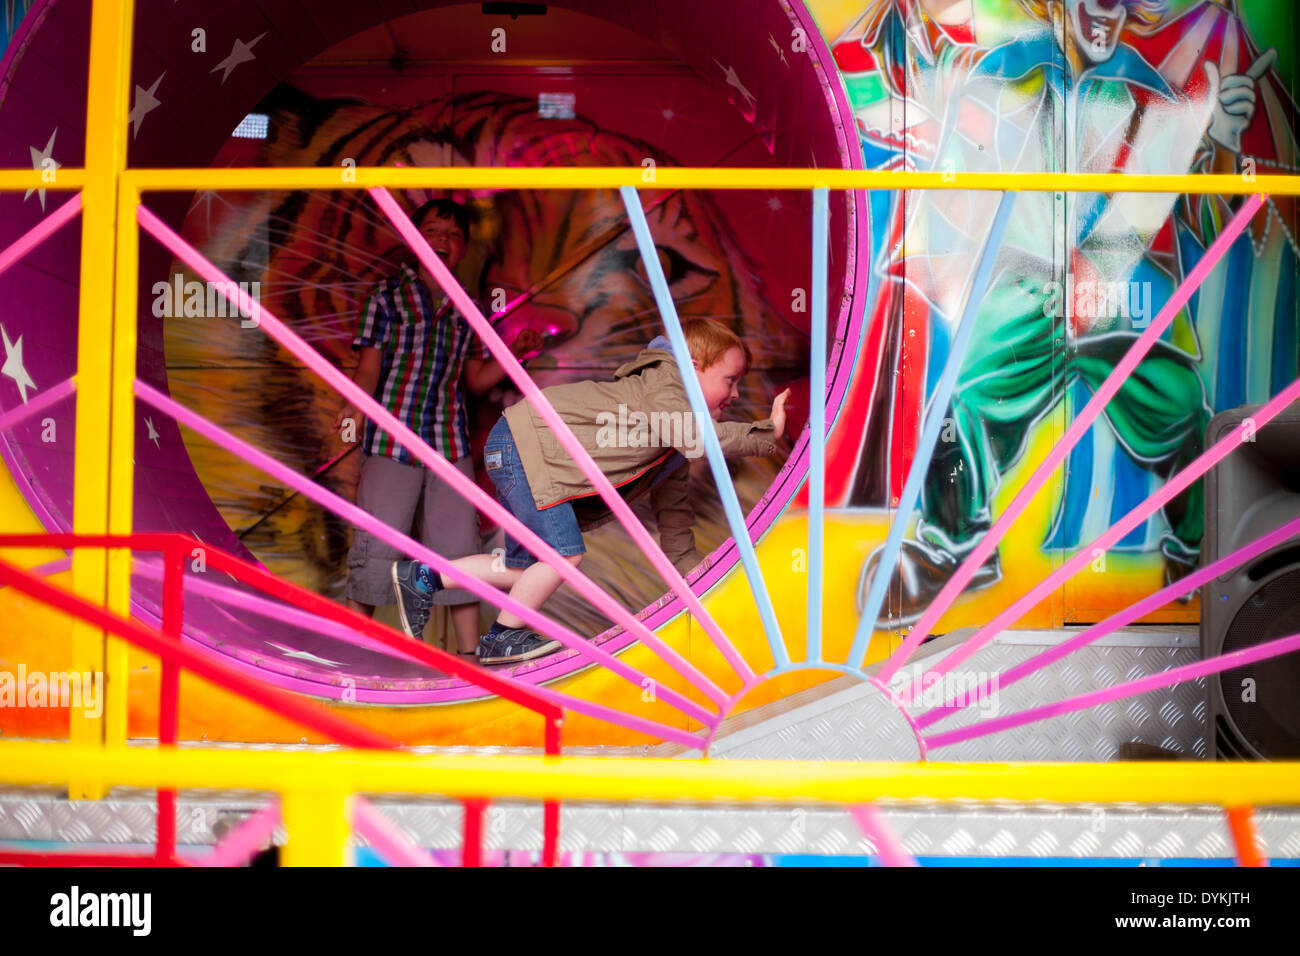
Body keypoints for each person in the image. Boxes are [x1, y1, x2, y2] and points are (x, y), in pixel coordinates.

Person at [391, 318, 791, 664]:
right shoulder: (666, 381)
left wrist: (701, 590)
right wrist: (766, 432)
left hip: (523, 447)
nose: (736, 394)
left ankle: (423, 578)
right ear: (693, 367)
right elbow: (697, 437)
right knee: (566, 555)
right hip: (529, 447)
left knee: (524, 568)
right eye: (730, 380)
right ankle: (502, 638)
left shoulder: (673, 446)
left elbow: (676, 526)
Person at [334, 198, 539, 655]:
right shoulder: (387, 296)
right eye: (432, 231)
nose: (442, 242)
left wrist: (515, 355)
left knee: (459, 550)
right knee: (377, 545)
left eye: (453, 235)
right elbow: (369, 369)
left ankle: (469, 657)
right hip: (391, 440)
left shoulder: (467, 308)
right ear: (415, 238)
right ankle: (350, 655)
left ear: (463, 247)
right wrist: (354, 408)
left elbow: (474, 379)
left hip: (448, 442)